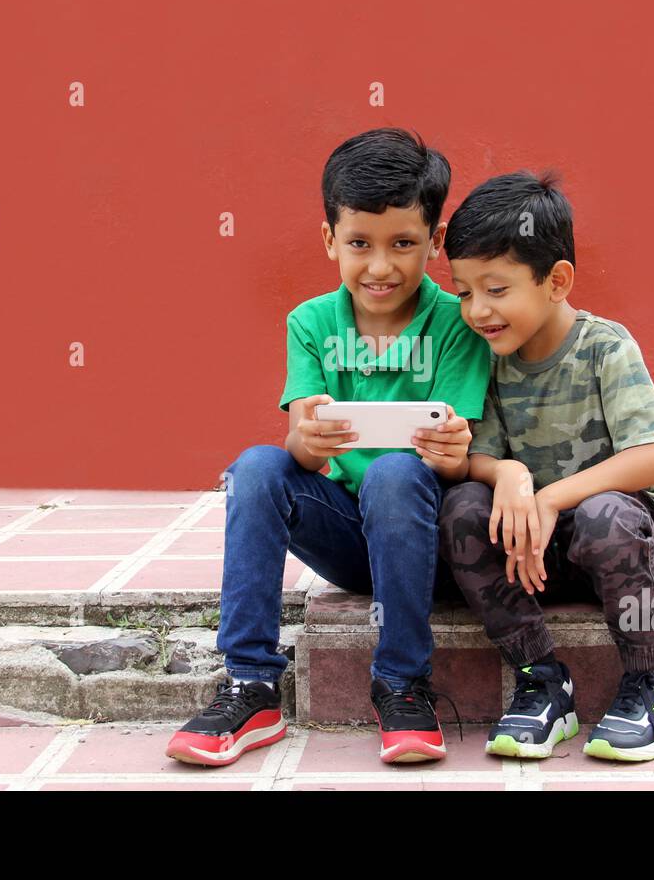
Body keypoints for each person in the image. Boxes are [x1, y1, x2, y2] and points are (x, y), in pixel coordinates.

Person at [165, 128, 492, 767]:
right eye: (359, 244)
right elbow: (303, 450)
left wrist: (450, 450)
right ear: (329, 241)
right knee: (256, 466)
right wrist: (307, 441)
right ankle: (251, 684)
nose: (380, 266)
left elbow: (454, 459)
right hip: (348, 539)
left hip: (422, 539)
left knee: (396, 474)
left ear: (436, 240)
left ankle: (402, 681)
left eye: (403, 244)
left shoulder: (457, 322)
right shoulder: (310, 322)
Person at [438, 171, 654, 761]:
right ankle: (542, 680)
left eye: (495, 290)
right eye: (464, 291)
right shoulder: (491, 359)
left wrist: (552, 496)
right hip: (537, 551)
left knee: (602, 515)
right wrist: (508, 476)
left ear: (557, 280)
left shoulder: (604, 347)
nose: (476, 310)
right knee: (462, 509)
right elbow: (482, 457)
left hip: (626, 538)